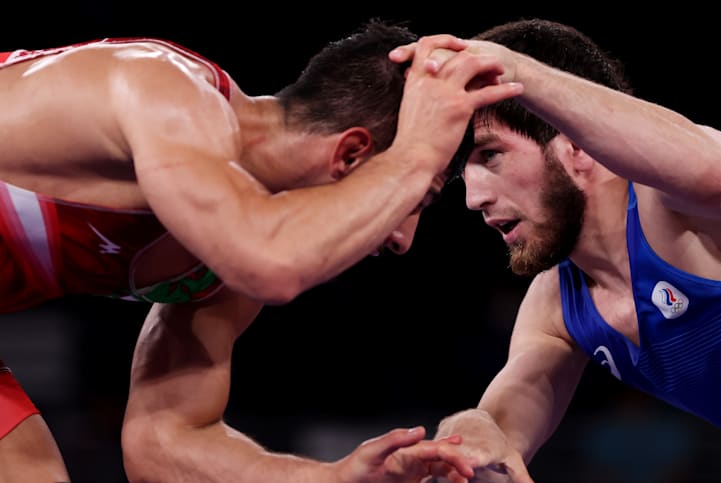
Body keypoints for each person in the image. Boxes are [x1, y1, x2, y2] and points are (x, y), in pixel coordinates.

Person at [0, 19, 522, 482]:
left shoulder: (233, 242)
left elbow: (162, 441)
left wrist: (333, 478)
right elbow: (272, 265)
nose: (403, 237)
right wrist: (418, 153)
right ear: (352, 152)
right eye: (416, 197)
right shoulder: (165, 89)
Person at [389, 18, 721, 482]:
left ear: (575, 144)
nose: (474, 198)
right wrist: (466, 438)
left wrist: (519, 71)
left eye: (490, 155)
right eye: (462, 175)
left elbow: (720, 174)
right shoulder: (557, 304)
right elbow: (502, 432)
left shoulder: (681, 207)